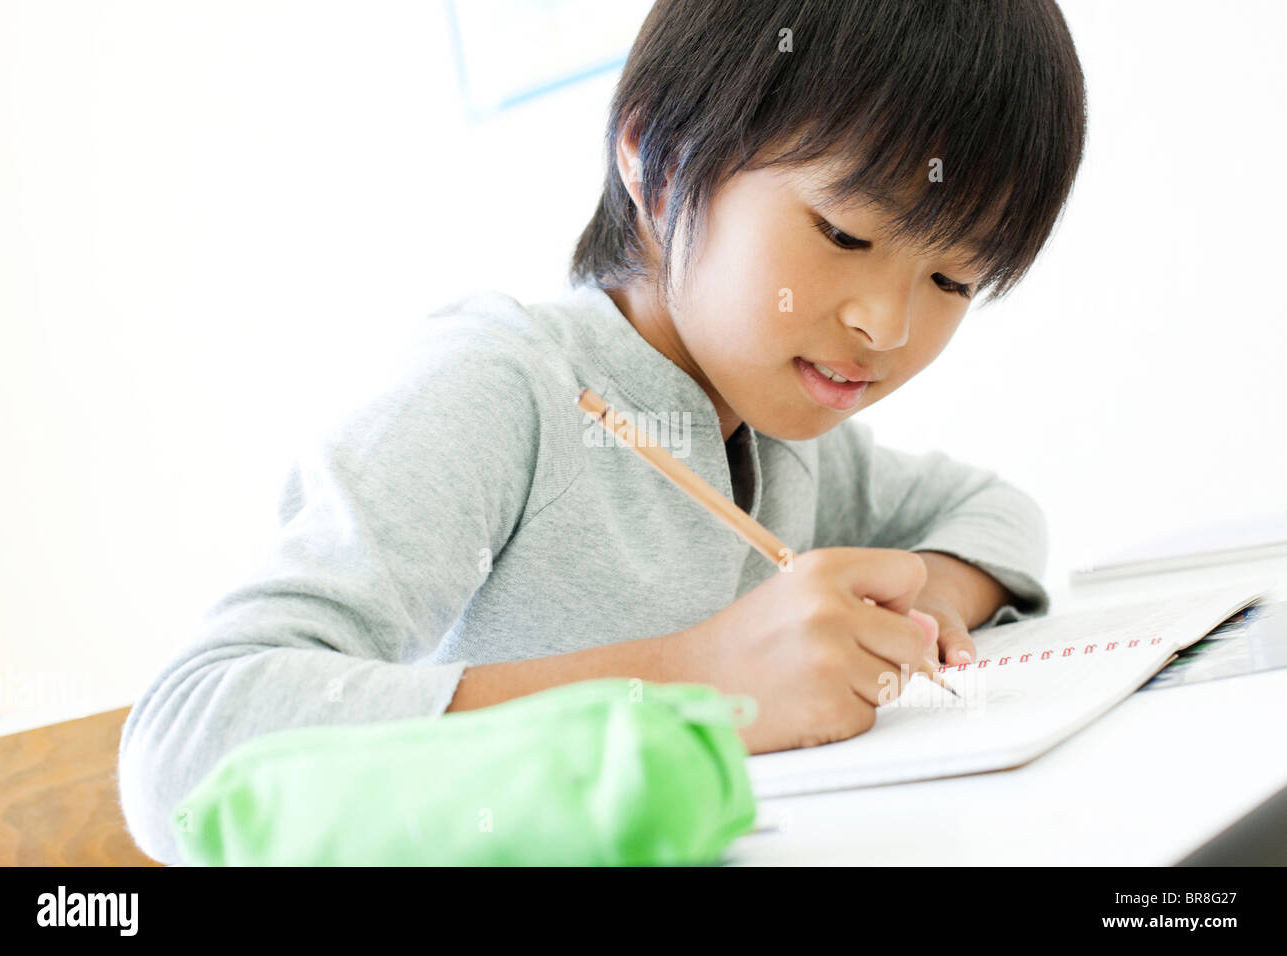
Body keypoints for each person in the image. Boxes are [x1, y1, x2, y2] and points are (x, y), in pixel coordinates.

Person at [120, 0, 1086, 864]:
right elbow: (185, 751)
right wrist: (699, 678)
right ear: (658, 163)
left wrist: (927, 607)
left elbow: (995, 513)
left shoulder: (786, 429)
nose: (888, 325)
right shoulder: (502, 389)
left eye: (953, 279)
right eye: (842, 233)